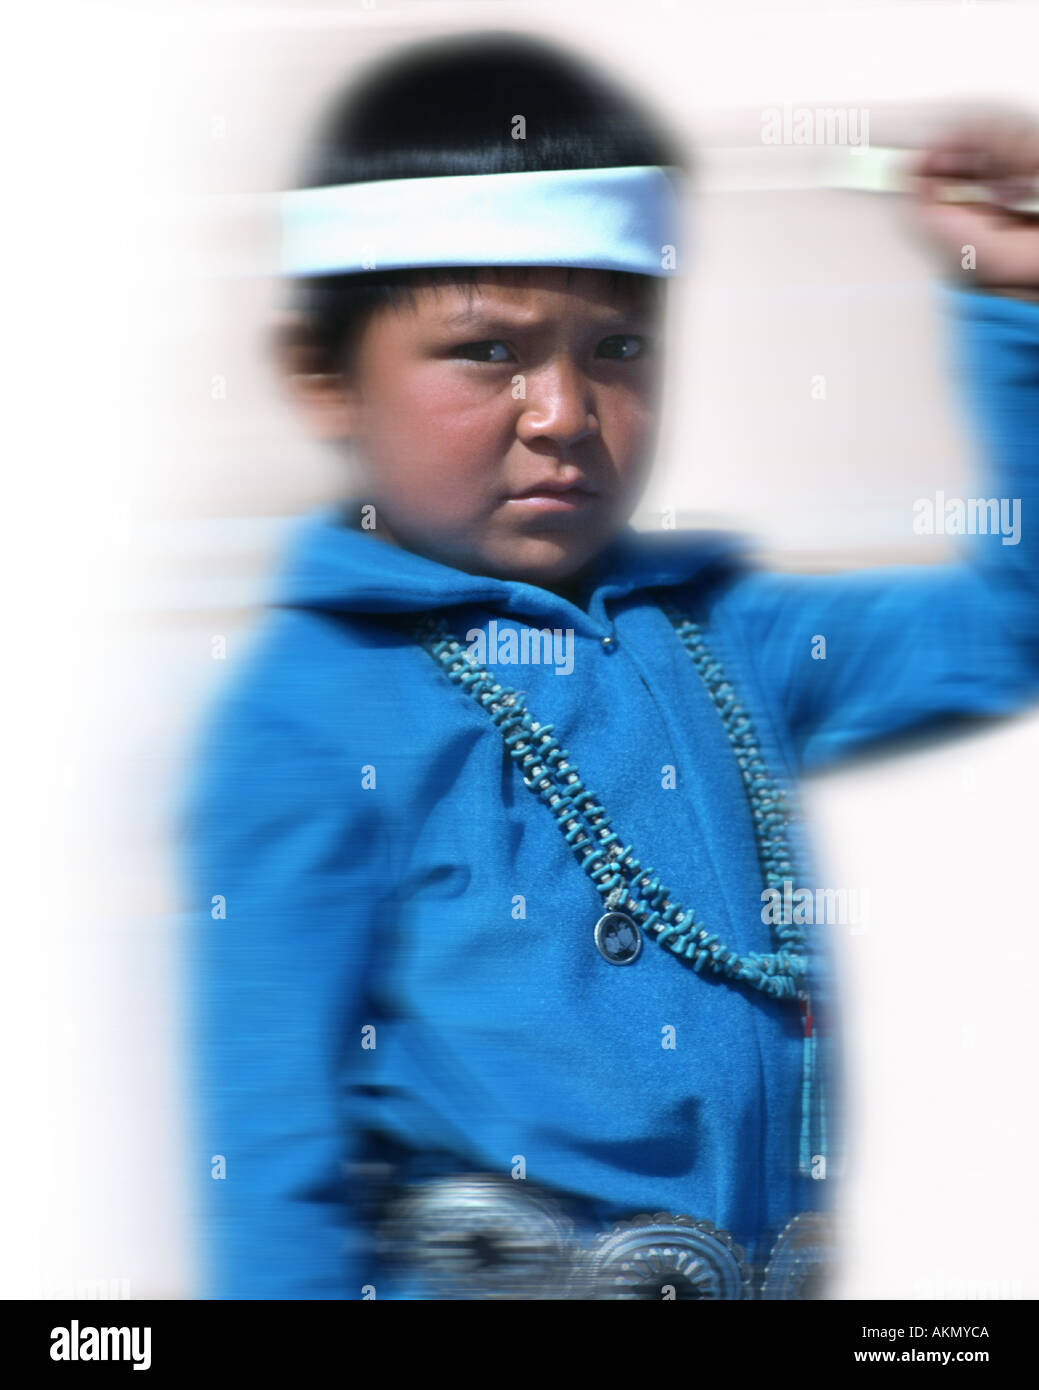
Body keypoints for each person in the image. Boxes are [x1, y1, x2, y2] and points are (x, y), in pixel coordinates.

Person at [178, 30, 1039, 1300]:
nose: (564, 412)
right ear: (322, 378)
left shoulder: (727, 633)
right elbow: (270, 1164)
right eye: (488, 350)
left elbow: (1003, 633)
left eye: (617, 348)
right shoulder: (312, 709)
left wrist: (1009, 301)